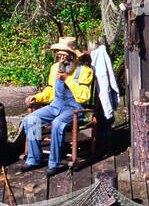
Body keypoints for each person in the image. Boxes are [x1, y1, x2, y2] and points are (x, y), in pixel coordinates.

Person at [20, 36, 95, 176]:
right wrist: (36, 97)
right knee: (31, 119)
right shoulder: (55, 68)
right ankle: (34, 159)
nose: (60, 58)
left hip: (74, 109)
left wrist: (67, 80)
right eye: (59, 55)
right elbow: (50, 91)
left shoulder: (84, 71)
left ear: (72, 56)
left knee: (57, 123)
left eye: (64, 55)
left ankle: (54, 163)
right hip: (56, 105)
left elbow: (84, 96)